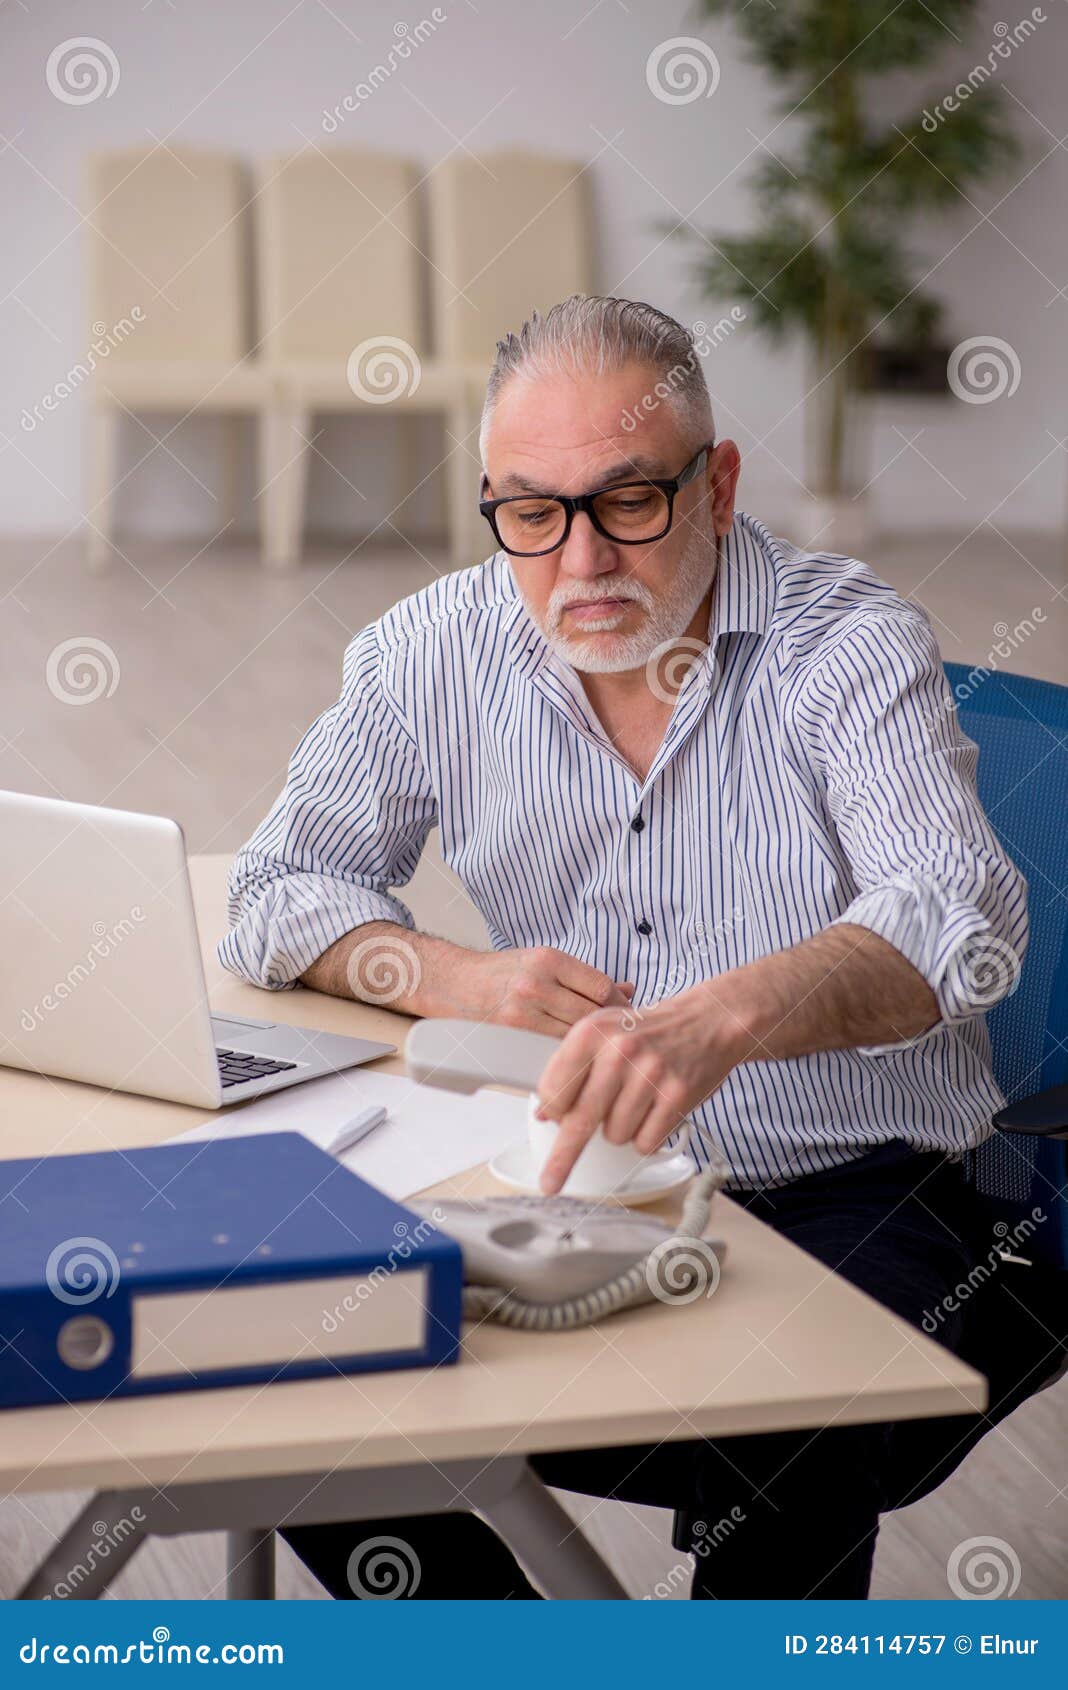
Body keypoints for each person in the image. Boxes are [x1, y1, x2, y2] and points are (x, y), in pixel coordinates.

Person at [220, 296, 1027, 1598]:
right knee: (291, 1365)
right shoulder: (437, 646)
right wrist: (459, 975)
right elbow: (272, 891)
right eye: (532, 512)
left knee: (784, 1428)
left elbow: (962, 916)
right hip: (576, 1180)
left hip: (861, 1180)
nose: (580, 558)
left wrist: (731, 1016)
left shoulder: (846, 642)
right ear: (492, 500)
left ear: (716, 482)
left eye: (628, 502)